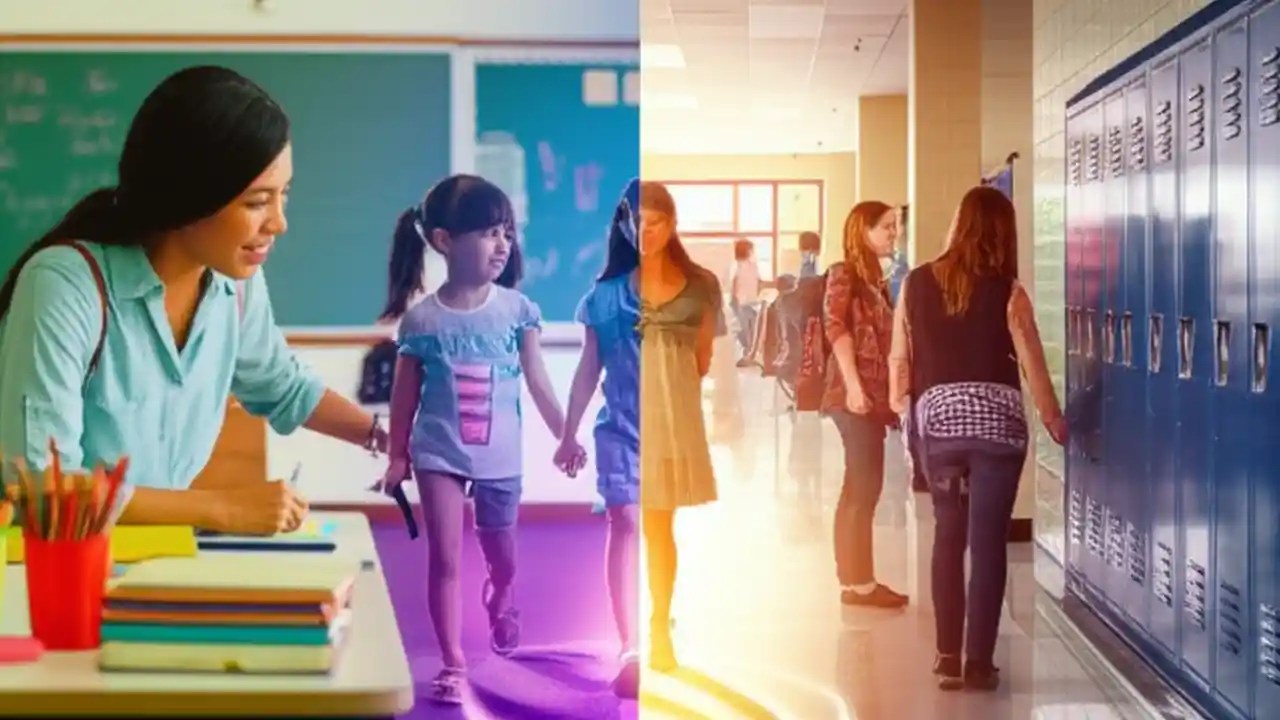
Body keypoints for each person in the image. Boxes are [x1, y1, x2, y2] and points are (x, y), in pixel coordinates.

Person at [0, 66, 386, 535]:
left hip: (159, 565)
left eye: (283, 195)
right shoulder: (64, 284)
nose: (279, 222)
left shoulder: (235, 285)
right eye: (256, 202)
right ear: (189, 196)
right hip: (51, 573)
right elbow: (46, 489)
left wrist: (388, 437)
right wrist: (223, 509)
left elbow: (283, 386)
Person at [377, 174, 565, 705]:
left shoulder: (516, 311)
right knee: (446, 557)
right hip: (438, 452)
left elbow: (538, 379)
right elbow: (404, 396)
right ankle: (453, 661)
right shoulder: (422, 320)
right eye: (487, 232)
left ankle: (501, 595)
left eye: (506, 231)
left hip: (500, 456)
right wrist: (397, 456)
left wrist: (564, 436)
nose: (502, 243)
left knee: (501, 555)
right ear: (443, 241)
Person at [889, 186, 1066, 691]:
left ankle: (946, 657)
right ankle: (980, 663)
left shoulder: (917, 282)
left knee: (948, 534)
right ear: (1003, 233)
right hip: (999, 430)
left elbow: (900, 356)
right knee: (988, 543)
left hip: (940, 426)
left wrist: (905, 407)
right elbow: (1030, 360)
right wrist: (1054, 420)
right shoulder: (1009, 290)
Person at [554, 179, 641, 698]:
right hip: (620, 430)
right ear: (627, 221)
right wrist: (567, 434)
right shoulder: (602, 299)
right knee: (625, 519)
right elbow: (589, 369)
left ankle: (664, 628)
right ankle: (630, 644)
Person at [636, 181, 722, 671]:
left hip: (674, 416)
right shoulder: (615, 282)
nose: (645, 233)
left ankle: (658, 621)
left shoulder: (702, 282)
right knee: (627, 525)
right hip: (626, 416)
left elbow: (704, 357)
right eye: (637, 224)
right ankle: (631, 628)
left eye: (654, 223)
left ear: (671, 225)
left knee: (658, 526)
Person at [822, 200, 909, 609]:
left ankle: (853, 579)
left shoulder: (877, 278)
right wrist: (855, 387)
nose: (895, 233)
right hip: (852, 396)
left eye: (895, 227)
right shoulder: (845, 274)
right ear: (864, 230)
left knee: (858, 486)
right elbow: (836, 329)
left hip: (870, 397)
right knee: (864, 485)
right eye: (887, 227)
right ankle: (860, 584)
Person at [730, 238, 760, 364]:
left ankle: (749, 355)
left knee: (748, 330)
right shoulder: (740, 266)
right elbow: (735, 285)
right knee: (747, 330)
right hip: (745, 302)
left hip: (748, 302)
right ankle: (749, 354)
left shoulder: (748, 266)